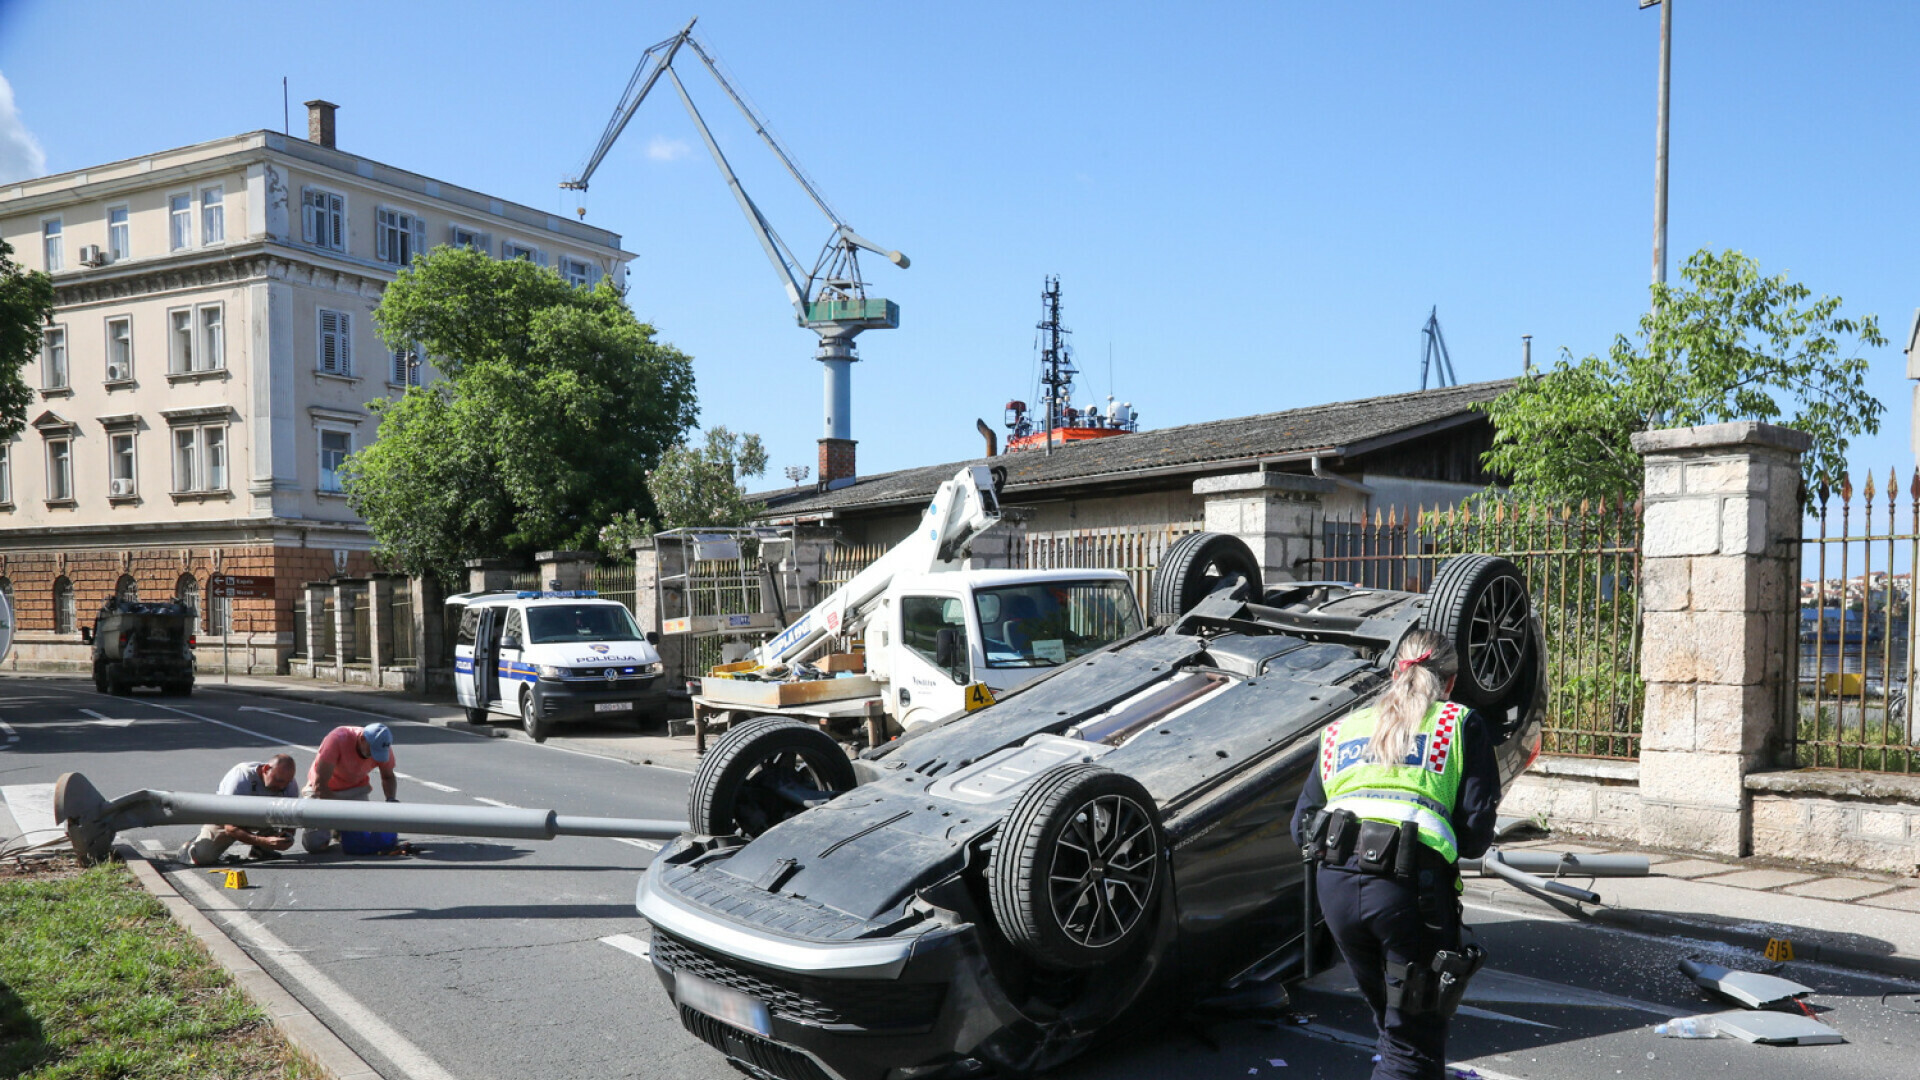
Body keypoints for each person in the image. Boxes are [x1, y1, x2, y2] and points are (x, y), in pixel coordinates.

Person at [1291, 629, 1502, 1080]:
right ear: (1450, 681)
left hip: (1336, 890)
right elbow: (1474, 837)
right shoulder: (1458, 724)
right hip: (1410, 891)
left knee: (1393, 1027)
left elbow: (1301, 826)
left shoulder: (1341, 730)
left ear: (1393, 673)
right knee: (1414, 1038)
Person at [181, 753, 299, 866]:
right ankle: (192, 846)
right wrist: (264, 841)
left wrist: (288, 836)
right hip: (227, 817)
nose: (282, 787)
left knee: (276, 813)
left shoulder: (289, 784)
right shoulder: (242, 777)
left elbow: (291, 818)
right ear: (266, 769)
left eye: (286, 783)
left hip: (261, 817)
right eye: (278, 781)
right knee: (203, 857)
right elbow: (230, 827)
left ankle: (260, 850)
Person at [301, 722, 399, 853]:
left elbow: (388, 776)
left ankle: (340, 829)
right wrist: (337, 814)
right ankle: (336, 828)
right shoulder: (337, 738)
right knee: (314, 845)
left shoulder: (382, 746)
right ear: (363, 739)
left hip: (355, 789)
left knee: (362, 840)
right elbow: (320, 784)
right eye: (372, 750)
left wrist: (391, 799)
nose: (374, 756)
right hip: (325, 790)